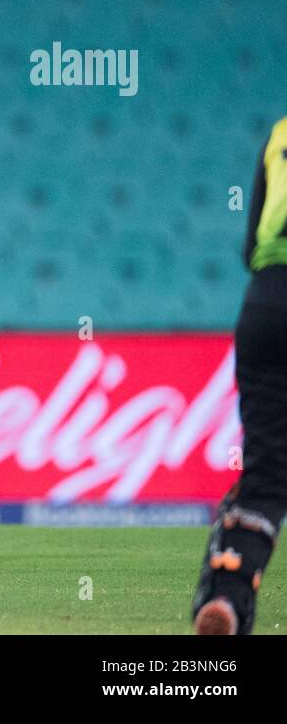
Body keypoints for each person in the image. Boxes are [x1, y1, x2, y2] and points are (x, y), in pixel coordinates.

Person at [192, 115, 287, 634]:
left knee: (268, 477)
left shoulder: (280, 134)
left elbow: (251, 244)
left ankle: (228, 594)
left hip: (266, 303)